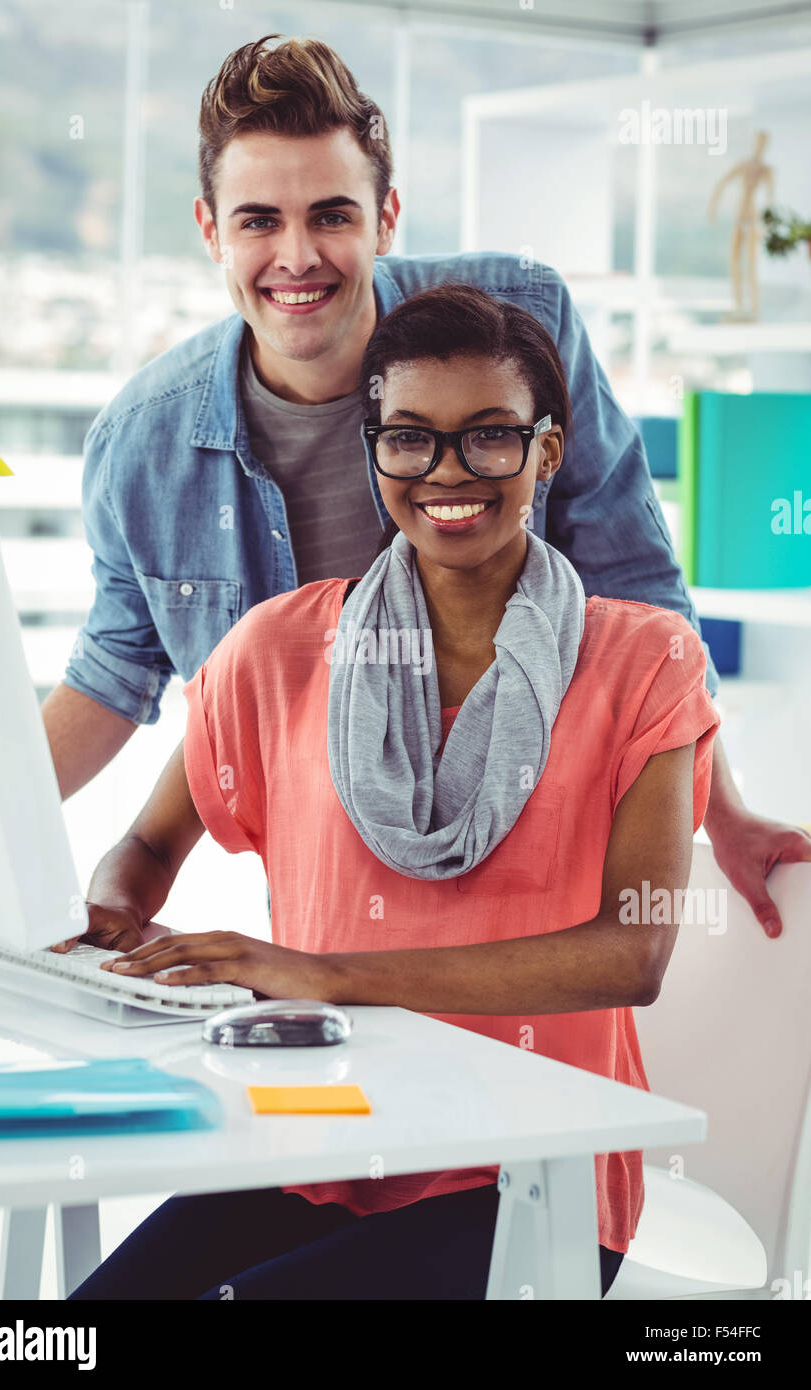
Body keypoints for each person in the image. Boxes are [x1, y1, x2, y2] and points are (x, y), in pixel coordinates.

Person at [45, 34, 810, 949]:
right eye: (258, 221)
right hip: (333, 896)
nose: (298, 257)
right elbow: (113, 675)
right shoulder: (145, 444)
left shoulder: (514, 326)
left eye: (332, 215)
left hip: (544, 869)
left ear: (385, 217)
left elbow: (632, 579)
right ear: (211, 230)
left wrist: (720, 807)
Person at [68, 285, 720, 1301]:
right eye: (409, 439)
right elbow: (148, 849)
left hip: (535, 1176)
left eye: (490, 438)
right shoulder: (278, 650)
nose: (447, 473)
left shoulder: (642, 659)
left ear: (547, 452)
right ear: (372, 452)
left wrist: (325, 972)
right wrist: (117, 923)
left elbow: (629, 954)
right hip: (320, 1145)